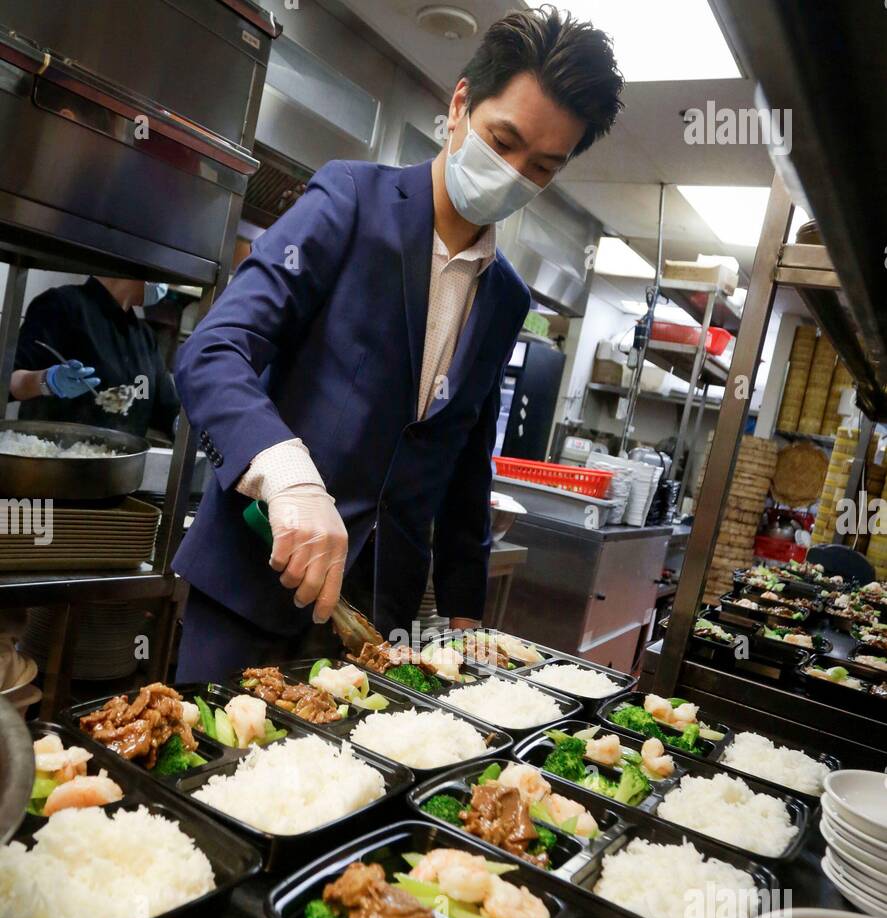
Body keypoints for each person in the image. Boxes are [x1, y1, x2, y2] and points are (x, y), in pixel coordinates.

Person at [173, 6, 623, 681]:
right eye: (502, 142)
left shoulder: (506, 300)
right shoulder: (351, 201)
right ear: (461, 103)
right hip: (253, 580)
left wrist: (467, 615)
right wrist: (289, 478)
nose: (512, 174)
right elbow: (212, 353)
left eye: (541, 168)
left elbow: (466, 454)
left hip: (379, 617)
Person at [11, 277, 179, 439]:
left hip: (121, 465)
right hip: (52, 461)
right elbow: (8, 381)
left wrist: (181, 425)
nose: (164, 282)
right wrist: (47, 381)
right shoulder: (61, 304)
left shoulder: (145, 336)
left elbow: (166, 411)